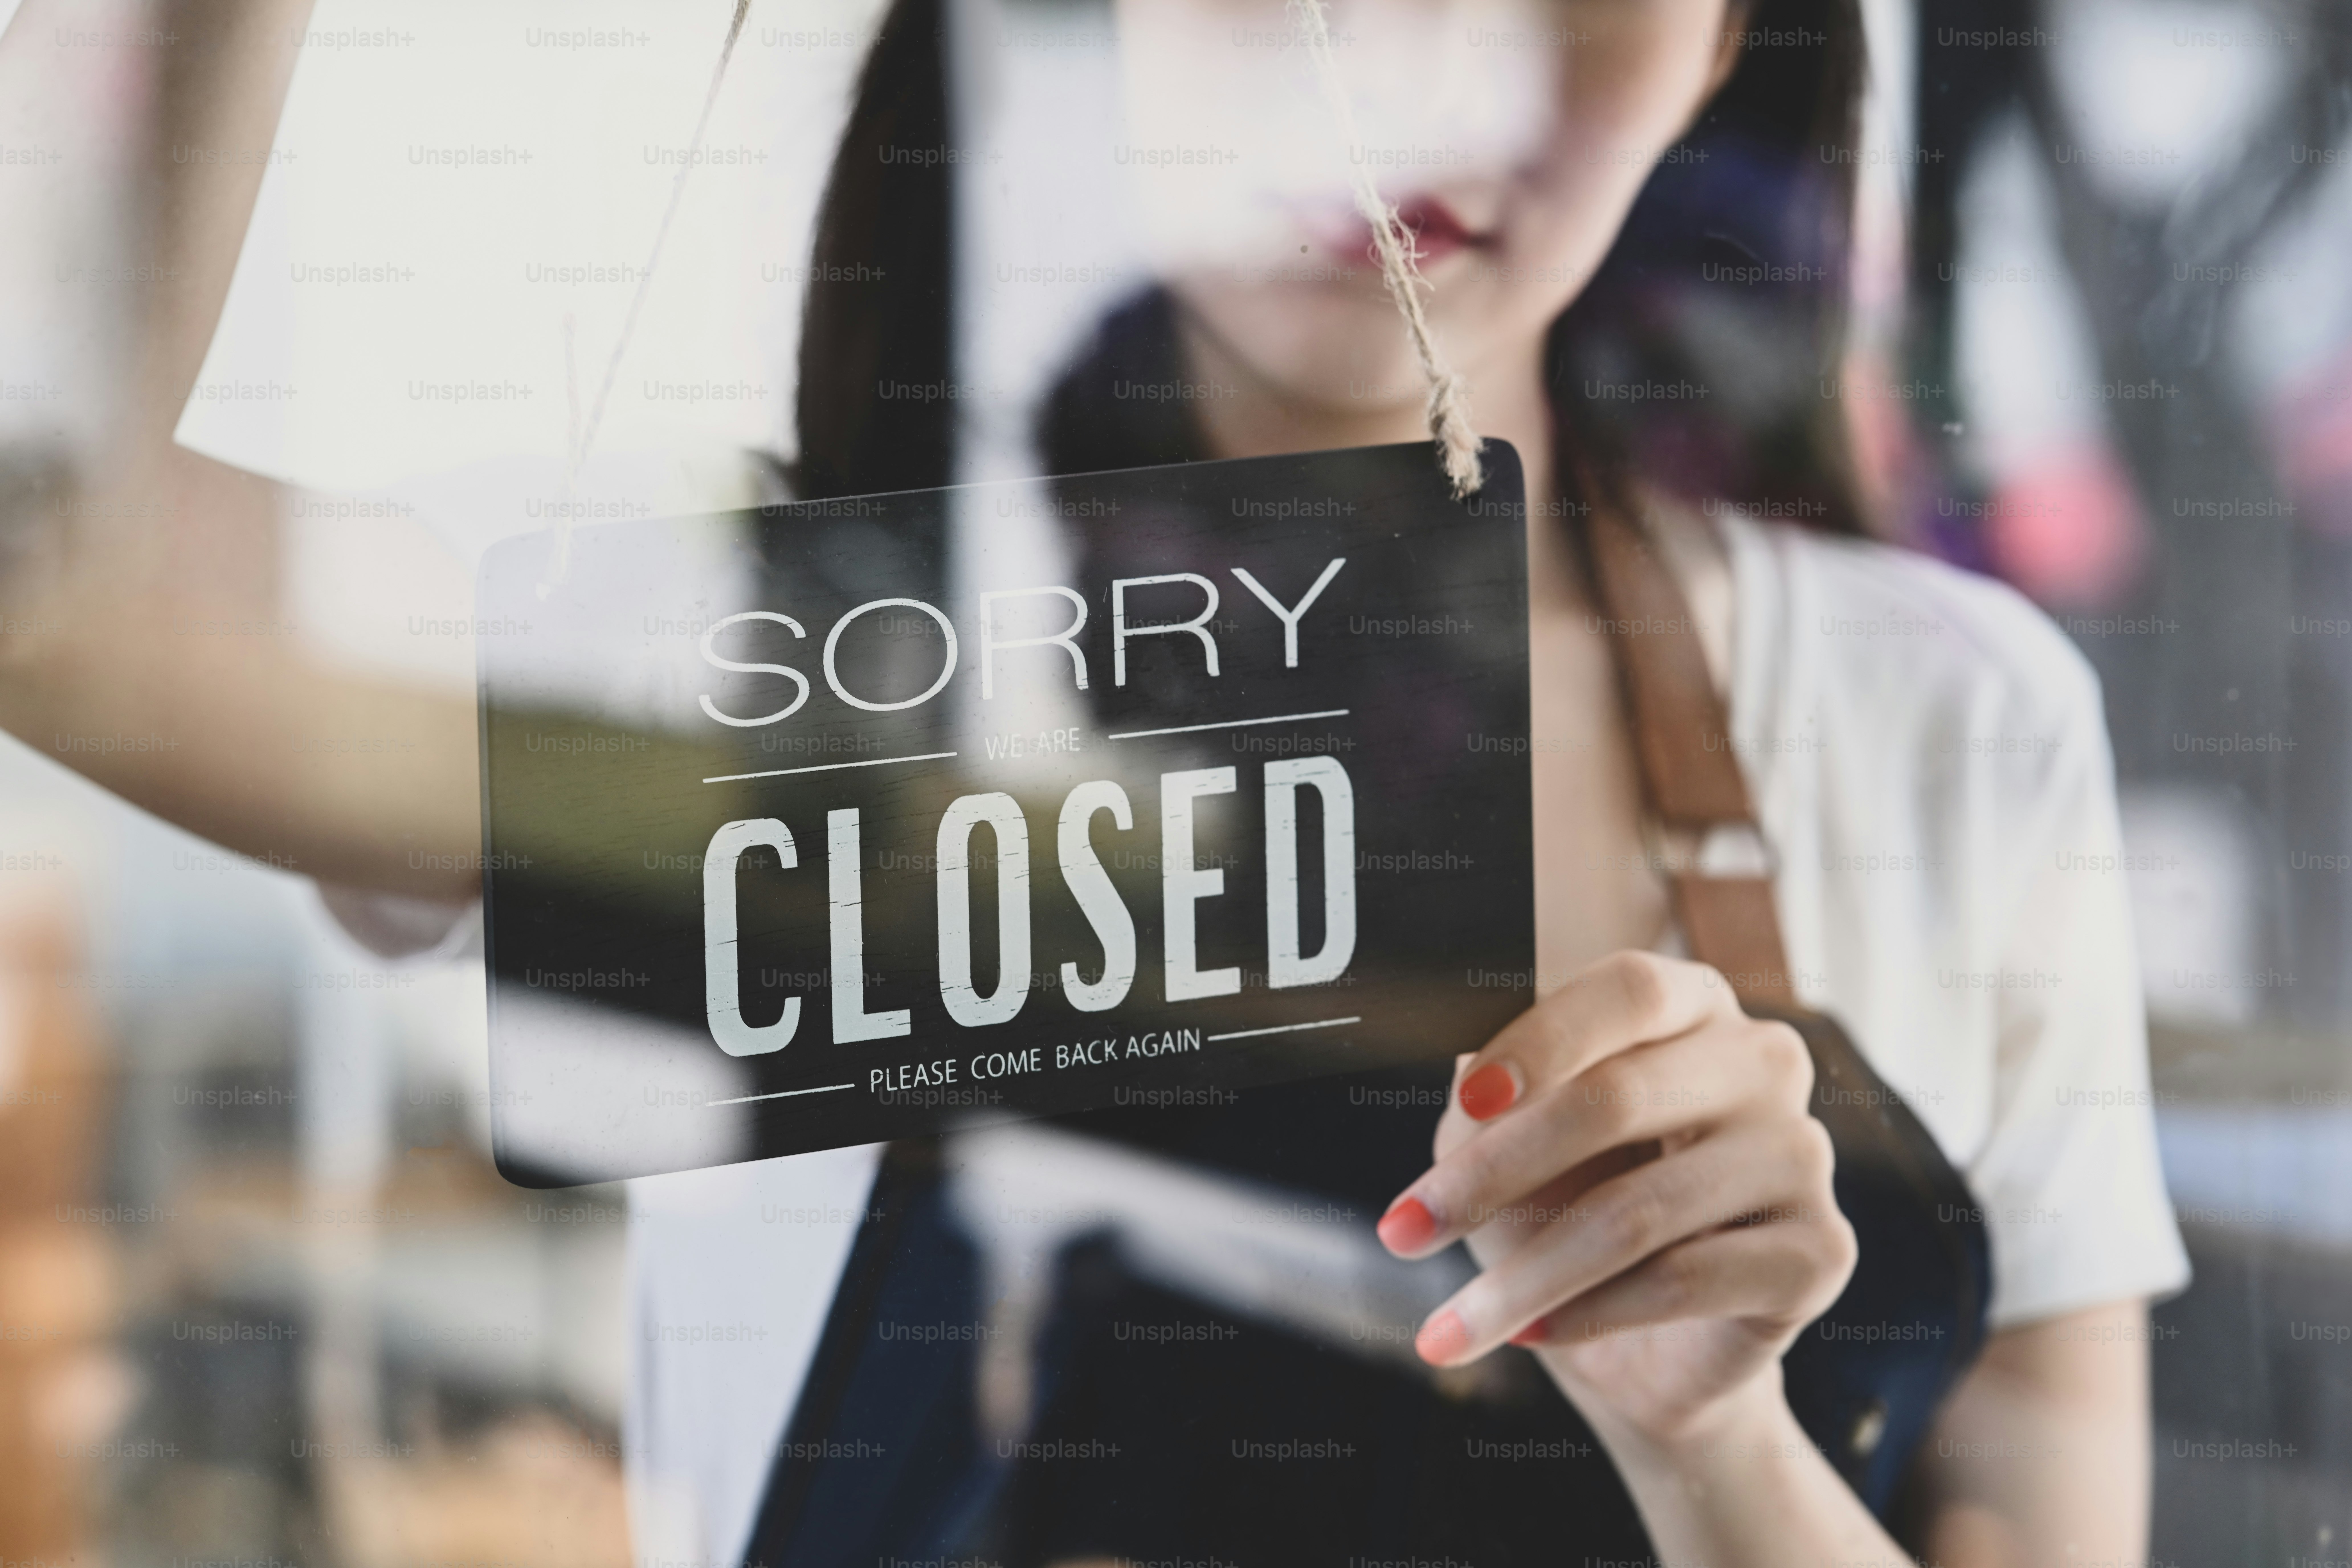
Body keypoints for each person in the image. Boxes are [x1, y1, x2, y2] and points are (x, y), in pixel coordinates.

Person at [1, 0, 2187, 1563]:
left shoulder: (1949, 721)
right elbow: (70, 603)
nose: (1411, 41)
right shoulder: (755, 665)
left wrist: (1719, 1445)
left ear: (1733, 36)